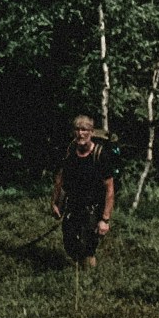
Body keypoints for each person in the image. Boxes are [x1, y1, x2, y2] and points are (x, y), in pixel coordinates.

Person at [50, 113, 119, 276]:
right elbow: (60, 178)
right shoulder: (70, 150)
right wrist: (55, 202)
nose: (80, 133)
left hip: (93, 208)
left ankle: (90, 280)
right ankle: (79, 270)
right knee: (69, 243)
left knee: (87, 247)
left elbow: (110, 189)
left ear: (91, 132)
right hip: (73, 205)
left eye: (84, 129)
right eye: (77, 129)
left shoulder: (100, 155)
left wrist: (105, 219)